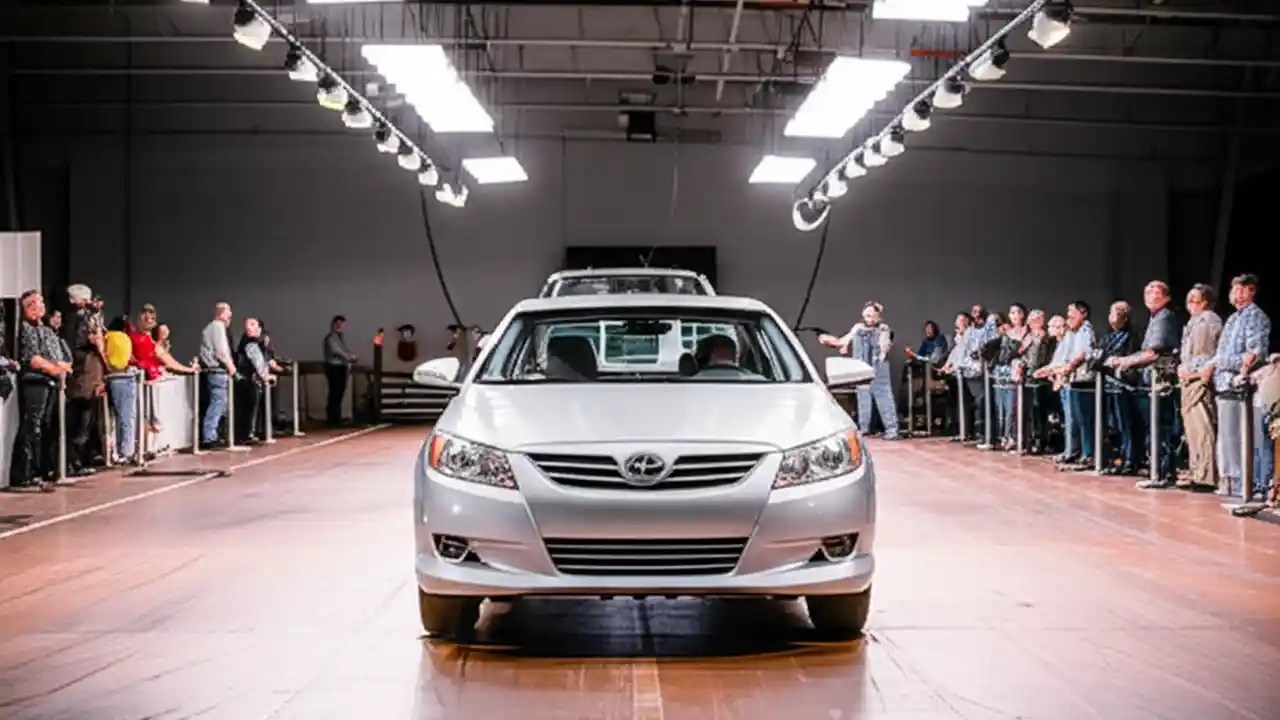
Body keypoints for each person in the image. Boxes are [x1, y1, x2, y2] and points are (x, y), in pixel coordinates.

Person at [1106, 281, 1184, 488]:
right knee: (1155, 429)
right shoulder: (1155, 318)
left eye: (1156, 294)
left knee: (1161, 429)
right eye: (1148, 293)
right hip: (1151, 382)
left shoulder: (1164, 318)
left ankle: (1163, 474)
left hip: (1161, 382)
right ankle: (1157, 471)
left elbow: (1153, 353)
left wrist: (1124, 361)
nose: (1151, 297)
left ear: (1166, 298)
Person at [1203, 274, 1271, 500]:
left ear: (1252, 291)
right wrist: (1211, 365)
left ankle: (1247, 483)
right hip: (1223, 384)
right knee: (1227, 436)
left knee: (1244, 436)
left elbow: (1254, 352)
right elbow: (1221, 352)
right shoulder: (1232, 318)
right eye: (1234, 290)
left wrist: (1235, 368)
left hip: (1241, 386)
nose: (1237, 295)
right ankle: (1230, 480)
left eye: (1242, 290)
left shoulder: (1256, 316)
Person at [7, 290, 71, 492]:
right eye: (33, 303)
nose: (39, 306)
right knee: (31, 425)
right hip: (36, 382)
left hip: (51, 382)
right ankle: (24, 473)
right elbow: (34, 359)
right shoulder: (26, 330)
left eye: (40, 302)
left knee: (45, 427)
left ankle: (44, 469)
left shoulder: (47, 331)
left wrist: (60, 370)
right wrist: (54, 369)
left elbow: (60, 357)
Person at [819, 301, 900, 440]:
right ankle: (864, 428)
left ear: (878, 317)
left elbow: (884, 346)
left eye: (872, 316)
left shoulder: (883, 329)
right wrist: (829, 340)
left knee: (884, 397)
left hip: (878, 367)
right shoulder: (857, 328)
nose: (869, 319)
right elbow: (843, 341)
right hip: (861, 367)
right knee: (863, 396)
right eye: (867, 315)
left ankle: (892, 429)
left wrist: (882, 353)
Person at [1175, 284, 1224, 493]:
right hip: (1188, 379)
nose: (1191, 304)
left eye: (1195, 299)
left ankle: (1206, 475)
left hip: (1198, 380)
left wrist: (1191, 372)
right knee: (1193, 430)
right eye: (1189, 300)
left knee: (1202, 428)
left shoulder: (1208, 319)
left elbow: (1206, 353)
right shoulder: (1193, 322)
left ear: (1205, 301)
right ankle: (1197, 471)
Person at [198, 302, 238, 448]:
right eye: (228, 314)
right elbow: (221, 351)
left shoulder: (213, 328)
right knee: (218, 403)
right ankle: (210, 436)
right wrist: (231, 367)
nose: (230, 318)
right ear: (221, 313)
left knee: (220, 403)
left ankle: (214, 434)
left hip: (216, 370)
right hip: (217, 370)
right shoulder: (217, 327)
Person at [234, 317, 274, 443]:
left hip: (248, 380)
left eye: (252, 324)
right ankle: (248, 434)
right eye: (247, 325)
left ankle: (249, 433)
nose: (248, 327)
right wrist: (266, 376)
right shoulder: (250, 344)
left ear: (259, 328)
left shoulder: (253, 343)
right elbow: (257, 363)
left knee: (250, 408)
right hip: (250, 380)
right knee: (250, 408)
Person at [324, 315, 356, 426]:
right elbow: (336, 351)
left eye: (341, 324)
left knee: (339, 393)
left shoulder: (340, 338)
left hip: (341, 367)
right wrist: (349, 357)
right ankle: (332, 419)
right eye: (337, 324)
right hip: (334, 368)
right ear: (333, 325)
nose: (340, 326)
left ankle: (336, 418)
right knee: (335, 392)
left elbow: (344, 350)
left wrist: (350, 356)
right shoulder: (330, 338)